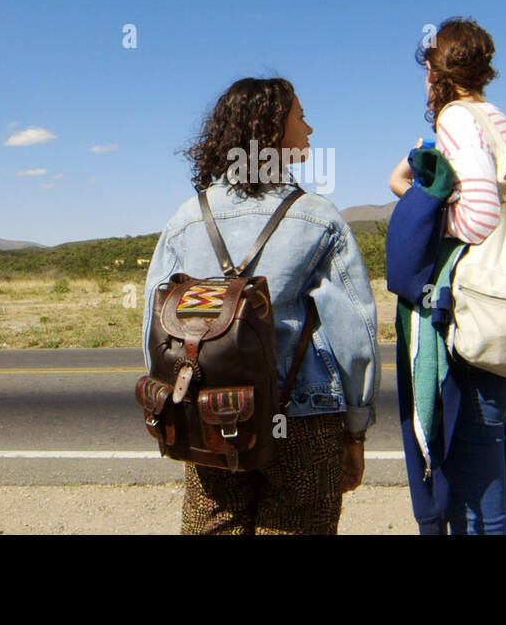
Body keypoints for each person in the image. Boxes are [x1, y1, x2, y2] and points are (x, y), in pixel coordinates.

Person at [142, 76, 380, 535]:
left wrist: (176, 405)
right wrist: (355, 426)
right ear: (271, 130)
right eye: (300, 117)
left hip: (211, 407)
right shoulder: (319, 217)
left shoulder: (186, 218)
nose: (309, 129)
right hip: (303, 418)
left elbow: (156, 329)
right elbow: (355, 336)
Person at [388, 17, 506, 535]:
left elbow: (479, 217)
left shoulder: (456, 118)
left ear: (435, 71)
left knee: (480, 510)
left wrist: (414, 199)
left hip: (485, 328)